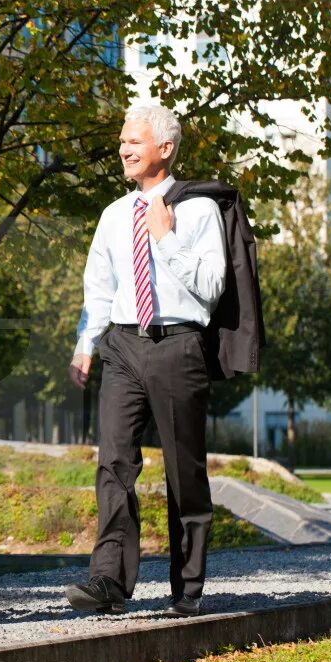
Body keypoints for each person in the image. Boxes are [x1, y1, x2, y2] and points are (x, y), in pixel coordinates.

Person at [65, 104, 226, 618]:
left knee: (184, 470)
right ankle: (109, 579)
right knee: (113, 462)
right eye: (121, 142)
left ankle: (188, 586)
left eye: (134, 141)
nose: (124, 150)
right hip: (123, 346)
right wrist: (86, 343)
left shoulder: (198, 210)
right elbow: (99, 285)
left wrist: (166, 238)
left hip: (179, 344)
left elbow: (212, 287)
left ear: (166, 148)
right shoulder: (114, 214)